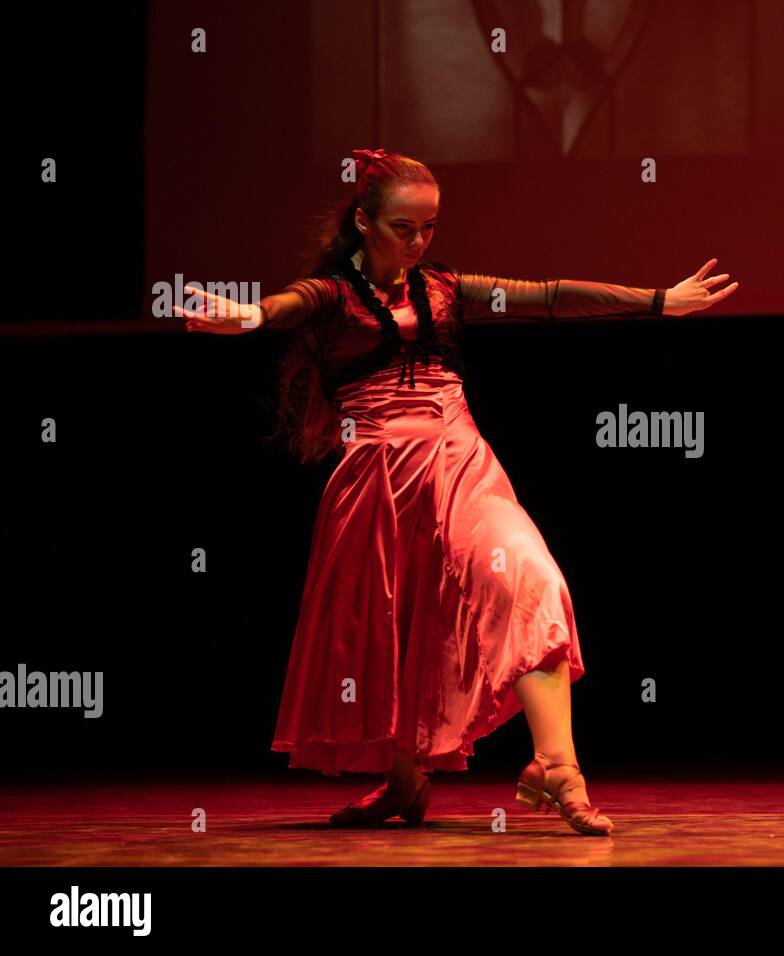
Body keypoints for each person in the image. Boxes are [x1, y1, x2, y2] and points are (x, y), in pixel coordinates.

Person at [173, 149, 738, 836]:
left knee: (530, 578)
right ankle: (405, 784)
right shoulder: (332, 296)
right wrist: (250, 318)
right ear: (364, 222)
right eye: (403, 228)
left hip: (461, 463)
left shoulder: (442, 288)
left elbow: (551, 295)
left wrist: (657, 302)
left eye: (429, 228)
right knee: (399, 626)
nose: (417, 243)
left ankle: (558, 768)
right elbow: (286, 307)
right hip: (376, 478)